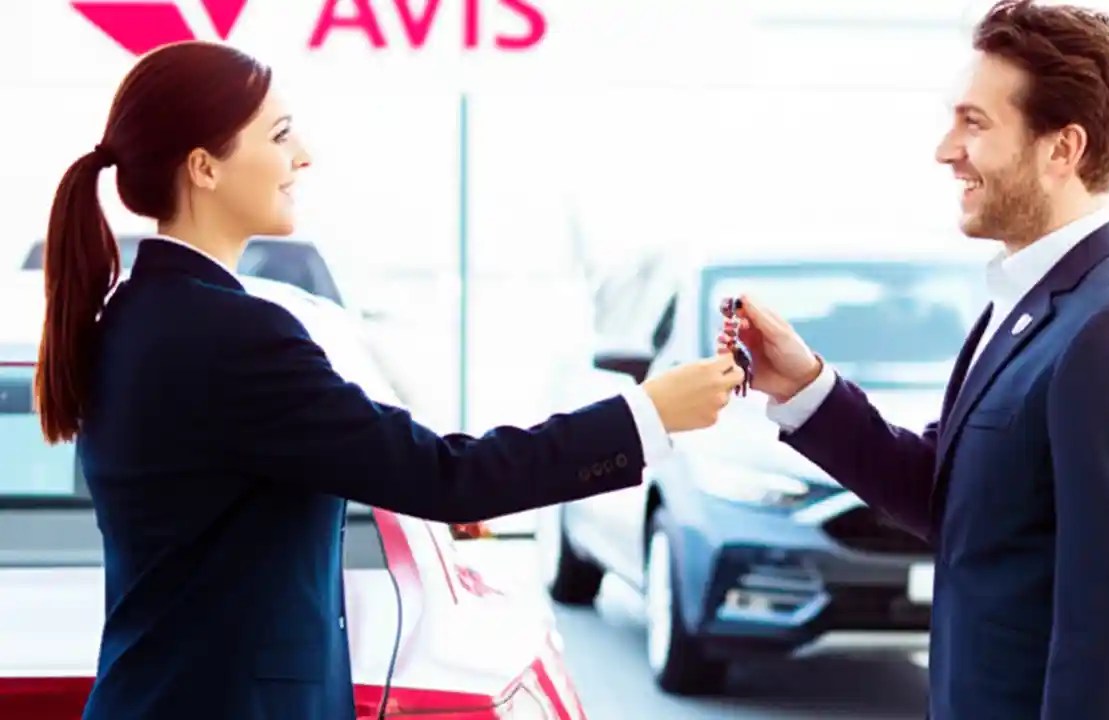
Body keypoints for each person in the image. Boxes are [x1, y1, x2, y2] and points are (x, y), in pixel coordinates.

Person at [35, 41, 743, 720]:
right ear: (204, 168)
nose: (303, 155)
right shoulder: (232, 334)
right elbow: (448, 477)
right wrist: (646, 415)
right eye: (279, 135)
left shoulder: (134, 316)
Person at [722, 2, 1109, 719]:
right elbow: (952, 499)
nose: (946, 150)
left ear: (1062, 149)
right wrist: (805, 386)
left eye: (974, 123)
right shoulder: (1024, 304)